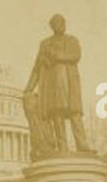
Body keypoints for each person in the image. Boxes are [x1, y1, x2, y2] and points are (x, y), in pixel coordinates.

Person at [24, 14, 92, 153]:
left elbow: (76, 56)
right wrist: (29, 88)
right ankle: (63, 147)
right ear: (52, 26)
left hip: (69, 83)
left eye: (62, 22)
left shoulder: (72, 40)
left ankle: (82, 145)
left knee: (75, 115)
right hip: (52, 85)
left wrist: (56, 56)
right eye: (57, 23)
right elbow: (37, 68)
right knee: (57, 116)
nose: (61, 25)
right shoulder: (45, 44)